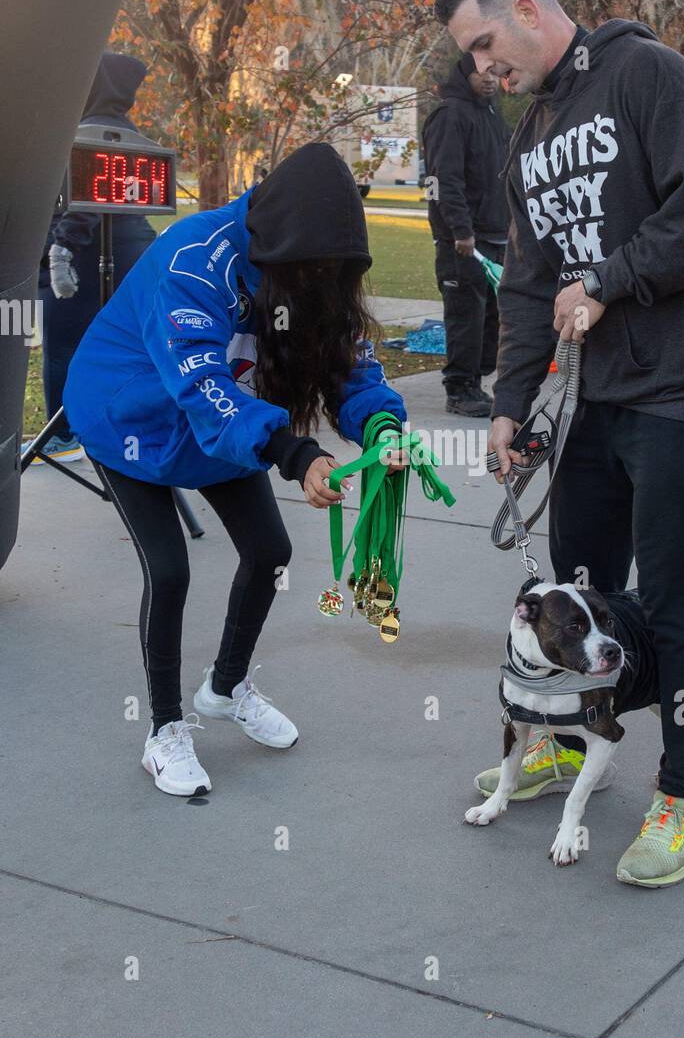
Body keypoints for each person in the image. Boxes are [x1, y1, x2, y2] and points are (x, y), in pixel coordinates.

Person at [434, 0, 684, 888]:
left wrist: (610, 280)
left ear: (529, 10)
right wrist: (508, 409)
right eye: (472, 58)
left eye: (487, 43)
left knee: (678, 607)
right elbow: (531, 287)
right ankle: (571, 747)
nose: (482, 69)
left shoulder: (648, 74)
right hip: (590, 404)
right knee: (583, 592)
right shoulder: (530, 137)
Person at [63, 144, 407, 797]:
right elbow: (201, 384)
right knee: (169, 569)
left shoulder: (311, 269)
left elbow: (351, 368)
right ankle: (163, 730)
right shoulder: (195, 258)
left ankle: (223, 687)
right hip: (126, 416)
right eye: (313, 273)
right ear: (281, 248)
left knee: (270, 549)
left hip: (216, 423)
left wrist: (383, 425)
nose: (321, 285)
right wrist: (296, 455)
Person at [33, 52, 156, 463]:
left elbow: (86, 201)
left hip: (79, 260)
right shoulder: (133, 135)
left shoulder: (91, 133)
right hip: (132, 253)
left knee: (64, 347)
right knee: (126, 347)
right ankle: (124, 429)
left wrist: (62, 249)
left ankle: (62, 435)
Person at [421, 51, 510, 416]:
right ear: (464, 73)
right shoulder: (451, 114)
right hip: (463, 242)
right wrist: (461, 230)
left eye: (494, 71)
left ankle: (475, 380)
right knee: (465, 317)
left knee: (491, 318)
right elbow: (443, 180)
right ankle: (459, 390)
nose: (489, 78)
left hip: (496, 236)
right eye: (481, 72)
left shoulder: (488, 115)